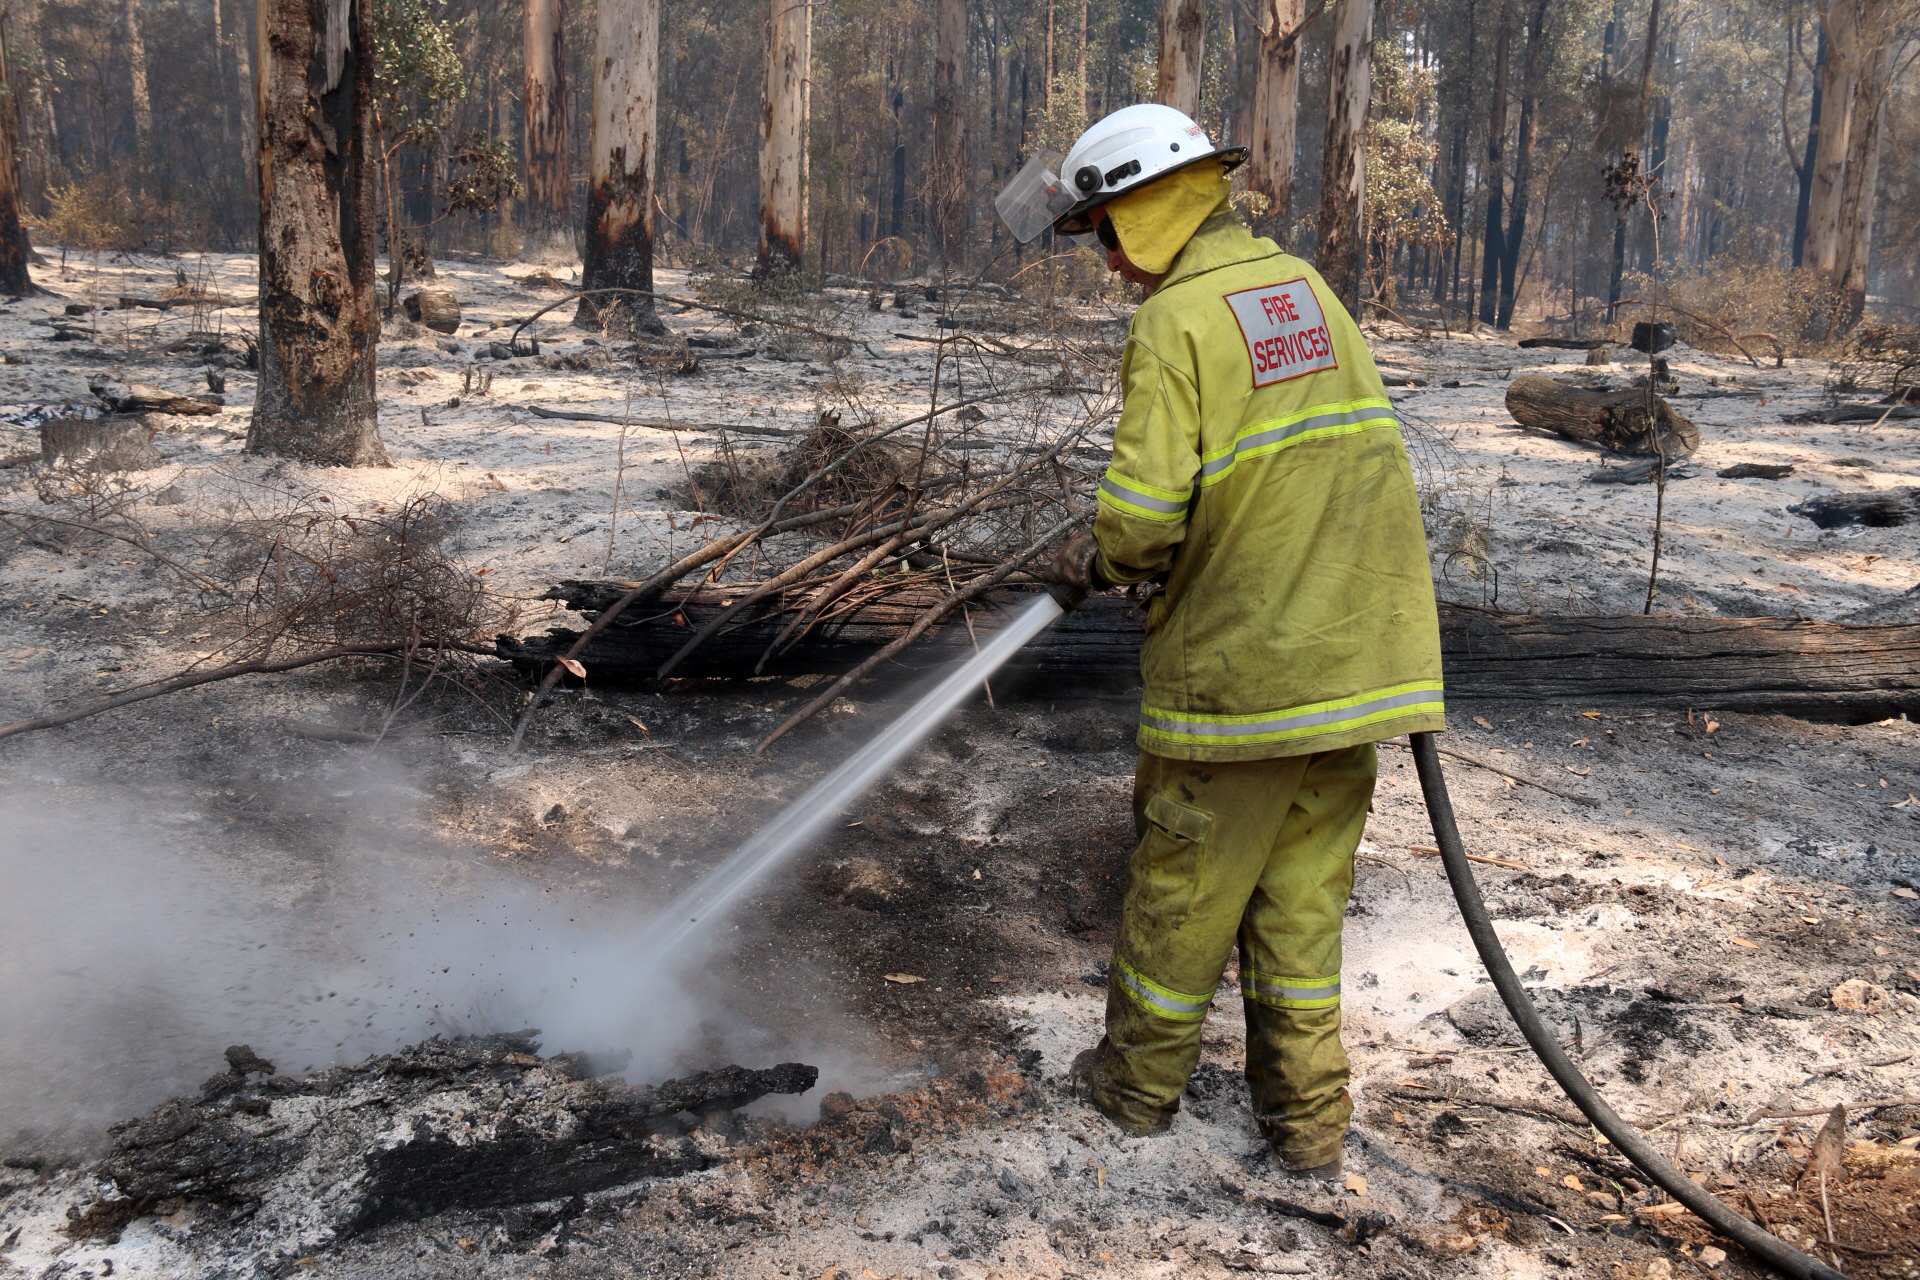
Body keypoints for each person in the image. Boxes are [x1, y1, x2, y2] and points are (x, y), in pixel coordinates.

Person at [1008, 104, 1445, 1178]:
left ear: (1144, 209)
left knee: (1181, 894)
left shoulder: (1177, 321)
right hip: (1360, 664)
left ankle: (1132, 1090)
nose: (1108, 261)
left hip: (1246, 675)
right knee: (1301, 906)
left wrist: (1096, 558)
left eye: (1105, 231)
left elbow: (1146, 513)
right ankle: (1306, 1126)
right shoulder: (1305, 292)